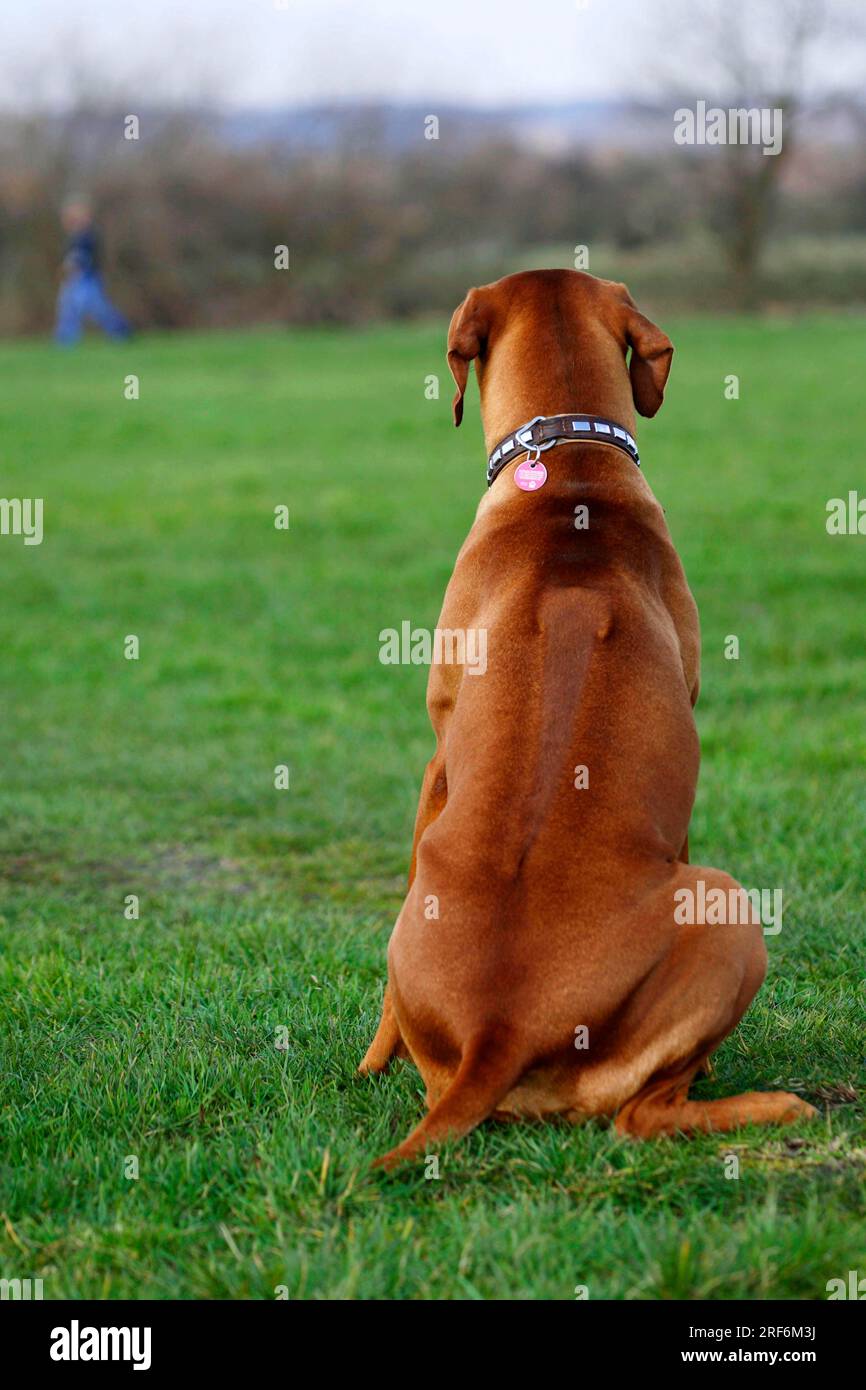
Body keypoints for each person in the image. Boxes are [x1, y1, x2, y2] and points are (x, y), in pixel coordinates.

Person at [55, 196, 131, 345]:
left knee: (97, 310)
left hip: (86, 279)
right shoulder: (75, 236)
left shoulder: (87, 236)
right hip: (78, 280)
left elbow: (82, 259)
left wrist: (71, 269)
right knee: (70, 309)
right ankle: (65, 341)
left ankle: (121, 331)